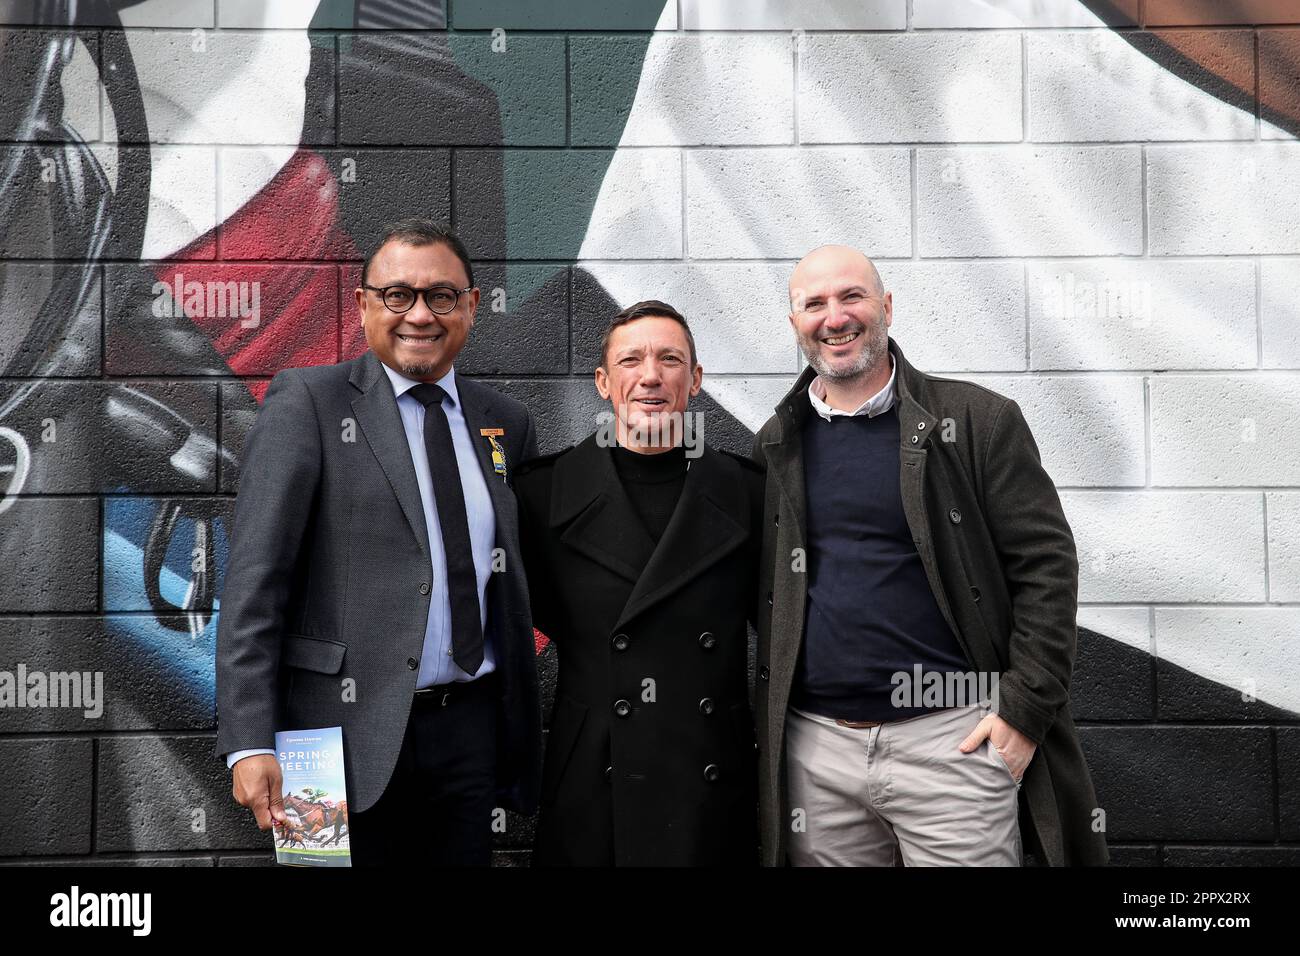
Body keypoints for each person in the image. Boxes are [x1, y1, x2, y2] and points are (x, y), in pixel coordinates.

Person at [750, 245, 1108, 866]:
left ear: (886, 307)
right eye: (814, 304)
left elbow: (1048, 568)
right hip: (818, 757)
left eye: (851, 297)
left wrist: (1021, 715)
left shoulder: (975, 421)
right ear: (795, 324)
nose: (834, 317)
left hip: (954, 745)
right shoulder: (777, 443)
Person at [215, 218, 542, 866]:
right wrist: (248, 741)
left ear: (471, 307)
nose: (419, 313)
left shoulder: (506, 423)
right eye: (398, 295)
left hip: (467, 735)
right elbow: (255, 581)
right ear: (364, 304)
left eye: (441, 296)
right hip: (322, 741)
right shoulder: (308, 401)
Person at [514, 300, 763, 866]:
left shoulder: (748, 494)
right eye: (631, 360)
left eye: (669, 359)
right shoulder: (542, 496)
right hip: (592, 778)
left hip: (709, 773)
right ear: (604, 382)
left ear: (694, 380)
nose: (650, 375)